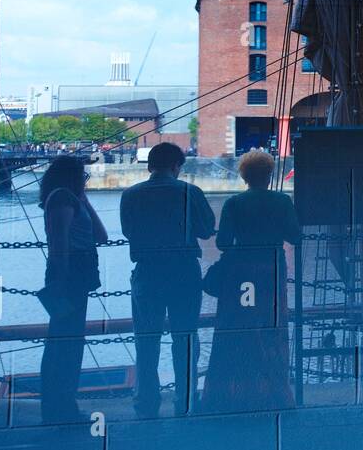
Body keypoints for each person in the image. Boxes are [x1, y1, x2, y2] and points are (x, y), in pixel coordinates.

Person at [120, 142, 215, 418]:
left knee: (146, 340)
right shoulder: (190, 192)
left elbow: (128, 231)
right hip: (183, 271)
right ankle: (185, 399)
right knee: (185, 338)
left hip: (147, 272)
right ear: (177, 166)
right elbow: (207, 229)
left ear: (150, 166)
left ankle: (147, 400)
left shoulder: (130, 195)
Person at [200, 150, 300, 412]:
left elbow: (222, 242)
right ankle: (274, 393)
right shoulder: (282, 201)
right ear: (269, 175)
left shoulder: (234, 203)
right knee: (271, 328)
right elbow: (295, 236)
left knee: (238, 329)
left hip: (241, 272)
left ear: (244, 176)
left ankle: (233, 394)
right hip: (272, 269)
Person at [38, 157, 105, 424]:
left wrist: (84, 200)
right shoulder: (62, 199)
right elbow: (59, 243)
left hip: (76, 275)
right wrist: (62, 281)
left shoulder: (70, 199)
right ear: (73, 177)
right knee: (66, 341)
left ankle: (60, 405)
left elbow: (100, 236)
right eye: (83, 176)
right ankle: (61, 406)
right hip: (71, 276)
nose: (85, 180)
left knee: (65, 339)